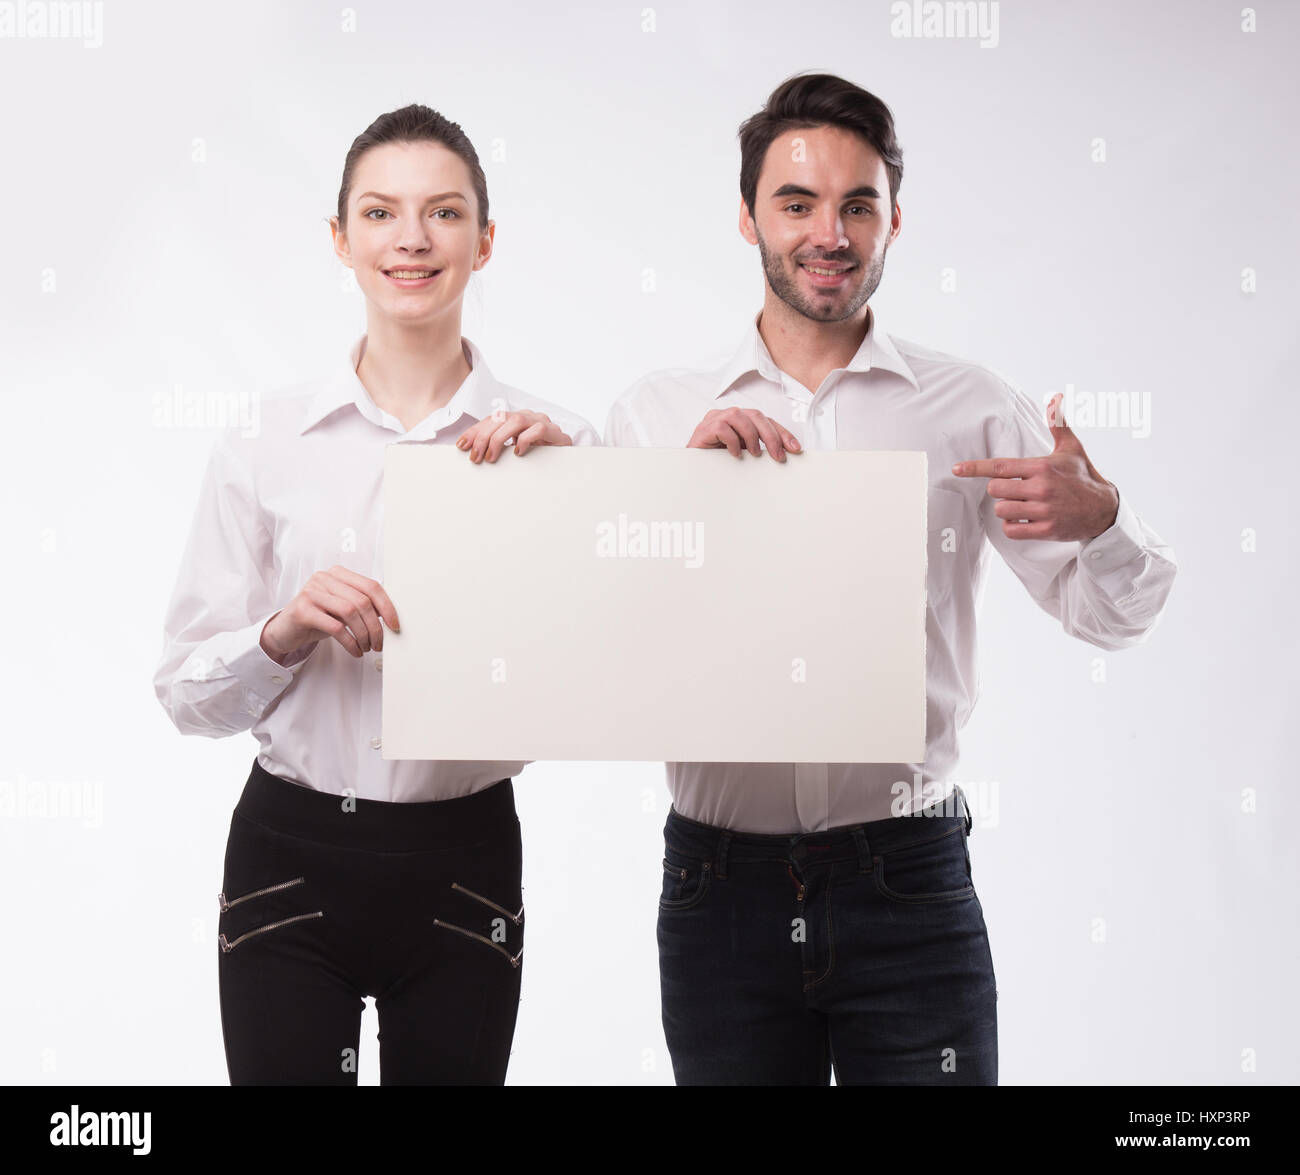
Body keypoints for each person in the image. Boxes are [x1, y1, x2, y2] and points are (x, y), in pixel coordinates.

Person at [603, 72, 1178, 1085]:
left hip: (906, 882)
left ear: (892, 222)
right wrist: (671, 504)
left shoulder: (969, 408)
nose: (829, 232)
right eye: (796, 203)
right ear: (747, 219)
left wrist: (1106, 521)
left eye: (856, 204)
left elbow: (1110, 618)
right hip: (717, 889)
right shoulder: (656, 413)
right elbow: (590, 637)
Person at [153, 103, 598, 1085]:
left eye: (443, 213)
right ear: (340, 238)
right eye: (380, 212)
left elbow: (621, 667)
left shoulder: (562, 446)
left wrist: (578, 510)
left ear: (484, 241)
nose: (411, 239)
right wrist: (282, 628)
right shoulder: (262, 441)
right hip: (290, 851)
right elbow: (185, 692)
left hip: (463, 853)